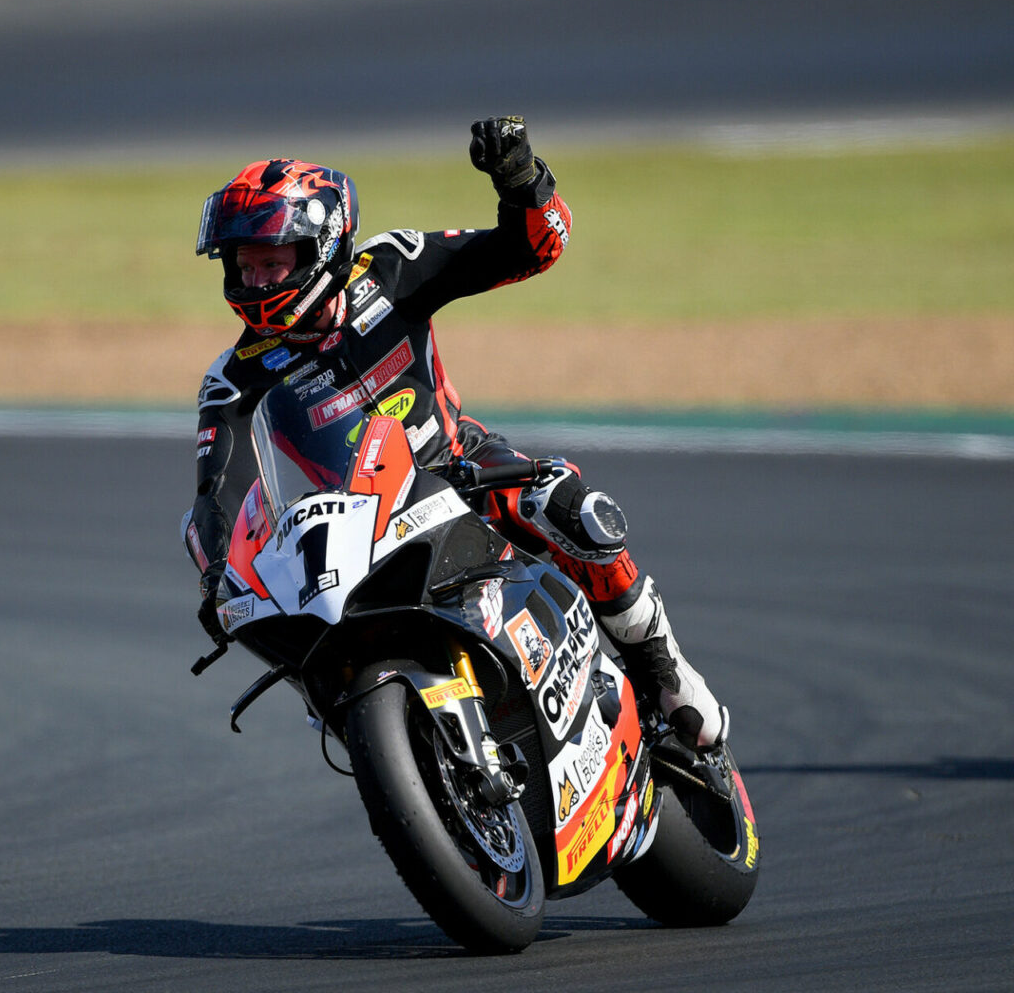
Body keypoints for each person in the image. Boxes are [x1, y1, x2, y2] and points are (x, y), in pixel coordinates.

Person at [182, 117, 728, 749]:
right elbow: (215, 497)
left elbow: (530, 250)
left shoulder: (390, 268)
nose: (255, 282)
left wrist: (520, 179)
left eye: (271, 263)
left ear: (320, 249)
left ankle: (662, 668)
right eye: (244, 266)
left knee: (571, 508)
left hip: (457, 467)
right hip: (354, 531)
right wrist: (217, 576)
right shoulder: (233, 381)